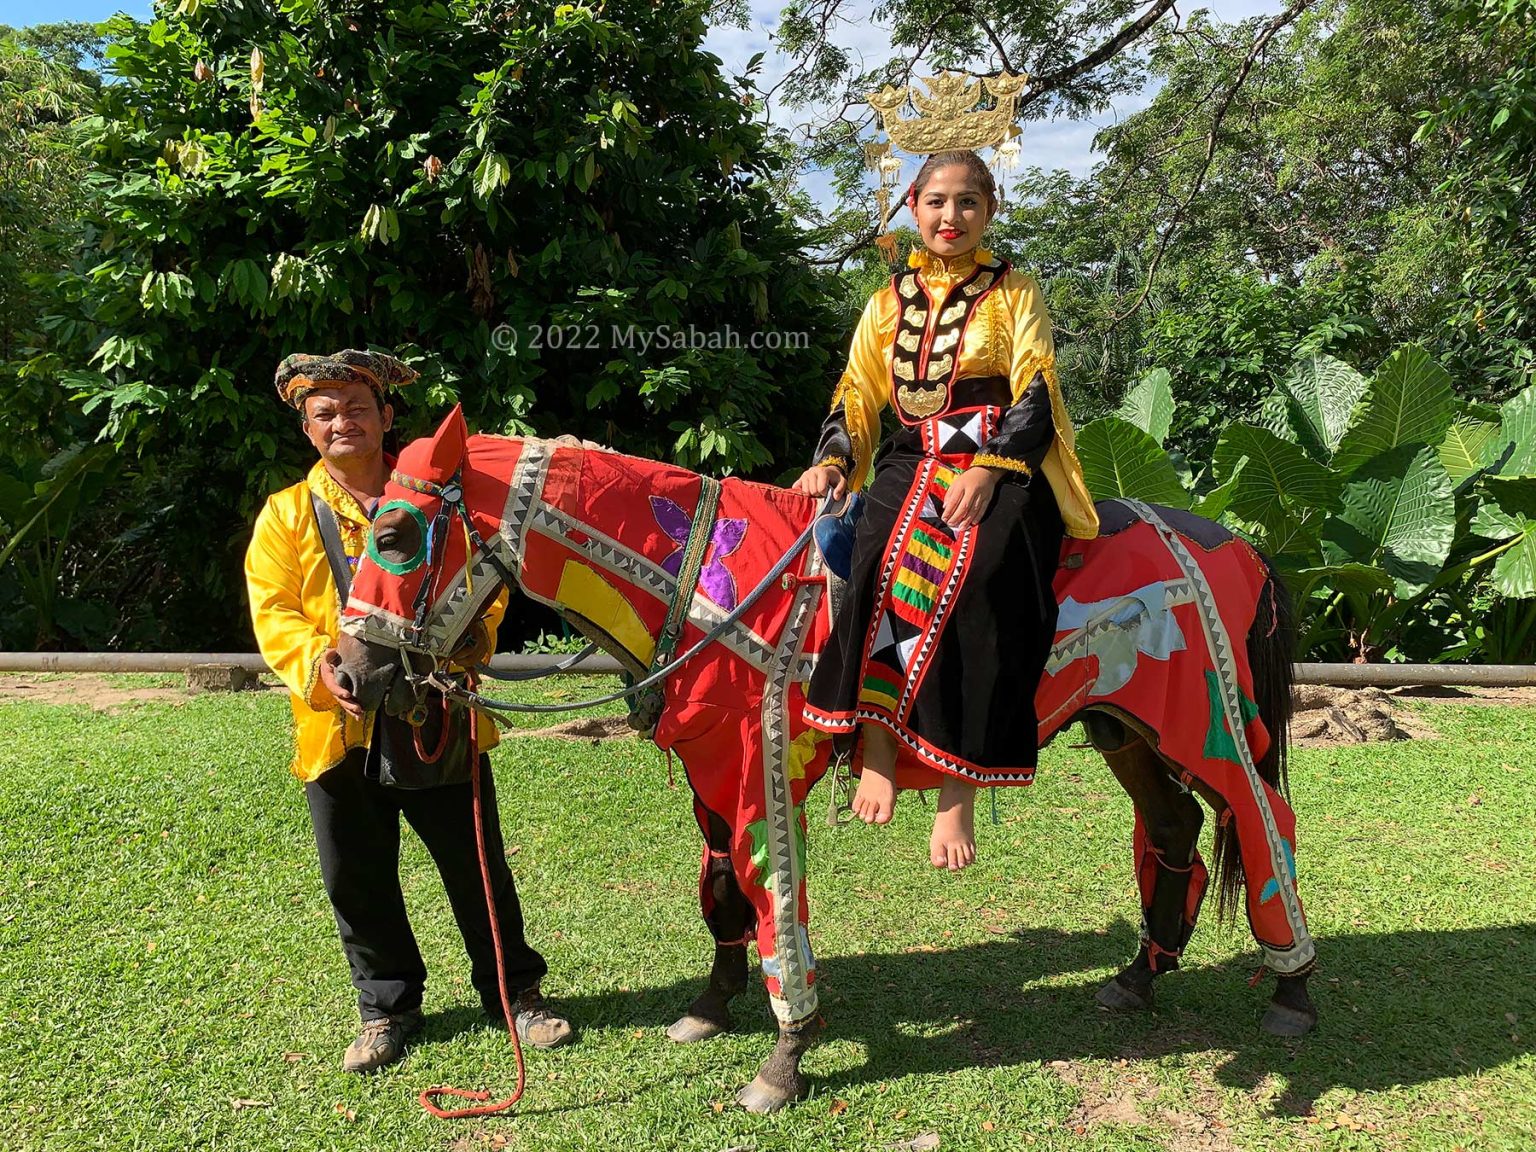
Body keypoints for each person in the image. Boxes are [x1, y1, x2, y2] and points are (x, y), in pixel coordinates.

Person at [244, 349, 571, 1072]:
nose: (342, 422)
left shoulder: (431, 497)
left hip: (437, 710)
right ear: (307, 428)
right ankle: (385, 1010)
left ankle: (516, 994)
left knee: (476, 863)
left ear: (387, 416)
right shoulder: (286, 515)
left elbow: (484, 578)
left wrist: (477, 636)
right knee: (355, 876)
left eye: (357, 408)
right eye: (325, 413)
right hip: (338, 726)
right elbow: (274, 611)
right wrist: (320, 663)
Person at [798, 150, 1099, 871]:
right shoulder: (886, 302)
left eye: (967, 202)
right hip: (911, 460)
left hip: (1002, 464)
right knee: (873, 559)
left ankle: (957, 789)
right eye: (936, 201)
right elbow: (857, 392)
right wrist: (835, 457)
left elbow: (1036, 386)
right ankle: (875, 748)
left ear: (990, 210)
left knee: (986, 575)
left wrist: (992, 469)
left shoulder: (1014, 290)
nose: (950, 216)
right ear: (913, 207)